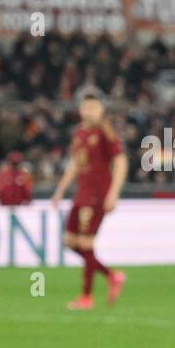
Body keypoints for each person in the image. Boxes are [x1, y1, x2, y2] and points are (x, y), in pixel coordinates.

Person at [50, 93, 127, 310]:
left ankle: (87, 297)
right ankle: (112, 275)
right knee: (69, 242)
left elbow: (121, 161)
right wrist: (60, 191)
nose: (90, 111)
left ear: (101, 110)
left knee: (85, 243)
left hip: (97, 196)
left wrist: (113, 193)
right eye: (87, 107)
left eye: (95, 108)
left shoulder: (105, 130)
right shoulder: (80, 133)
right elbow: (75, 164)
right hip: (81, 194)